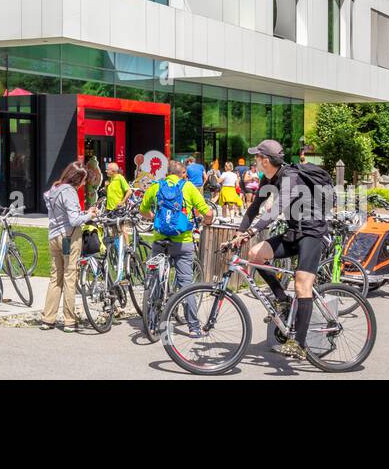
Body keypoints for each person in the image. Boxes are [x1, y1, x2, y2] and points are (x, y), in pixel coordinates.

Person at [231, 139, 328, 360]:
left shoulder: (290, 178)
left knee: (302, 283)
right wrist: (240, 232)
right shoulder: (268, 178)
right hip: (295, 231)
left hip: (312, 233)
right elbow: (255, 208)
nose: (254, 160)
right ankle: (282, 299)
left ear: (265, 160)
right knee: (256, 255)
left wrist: (252, 231)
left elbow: (273, 211)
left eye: (256, 156)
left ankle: (299, 344)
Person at [140, 158, 213, 337]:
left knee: (155, 275)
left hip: (159, 240)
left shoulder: (156, 186)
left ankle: (152, 318)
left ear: (166, 173)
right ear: (183, 174)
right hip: (182, 242)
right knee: (186, 284)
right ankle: (194, 327)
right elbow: (208, 212)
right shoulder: (188, 187)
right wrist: (207, 222)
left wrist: (154, 218)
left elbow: (143, 210)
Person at [41, 162, 97, 331]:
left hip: (53, 236)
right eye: (83, 180)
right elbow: (74, 220)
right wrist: (89, 214)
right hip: (69, 237)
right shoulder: (69, 192)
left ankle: (48, 319)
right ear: (77, 178)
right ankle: (69, 320)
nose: (83, 184)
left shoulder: (55, 189)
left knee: (55, 277)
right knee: (69, 276)